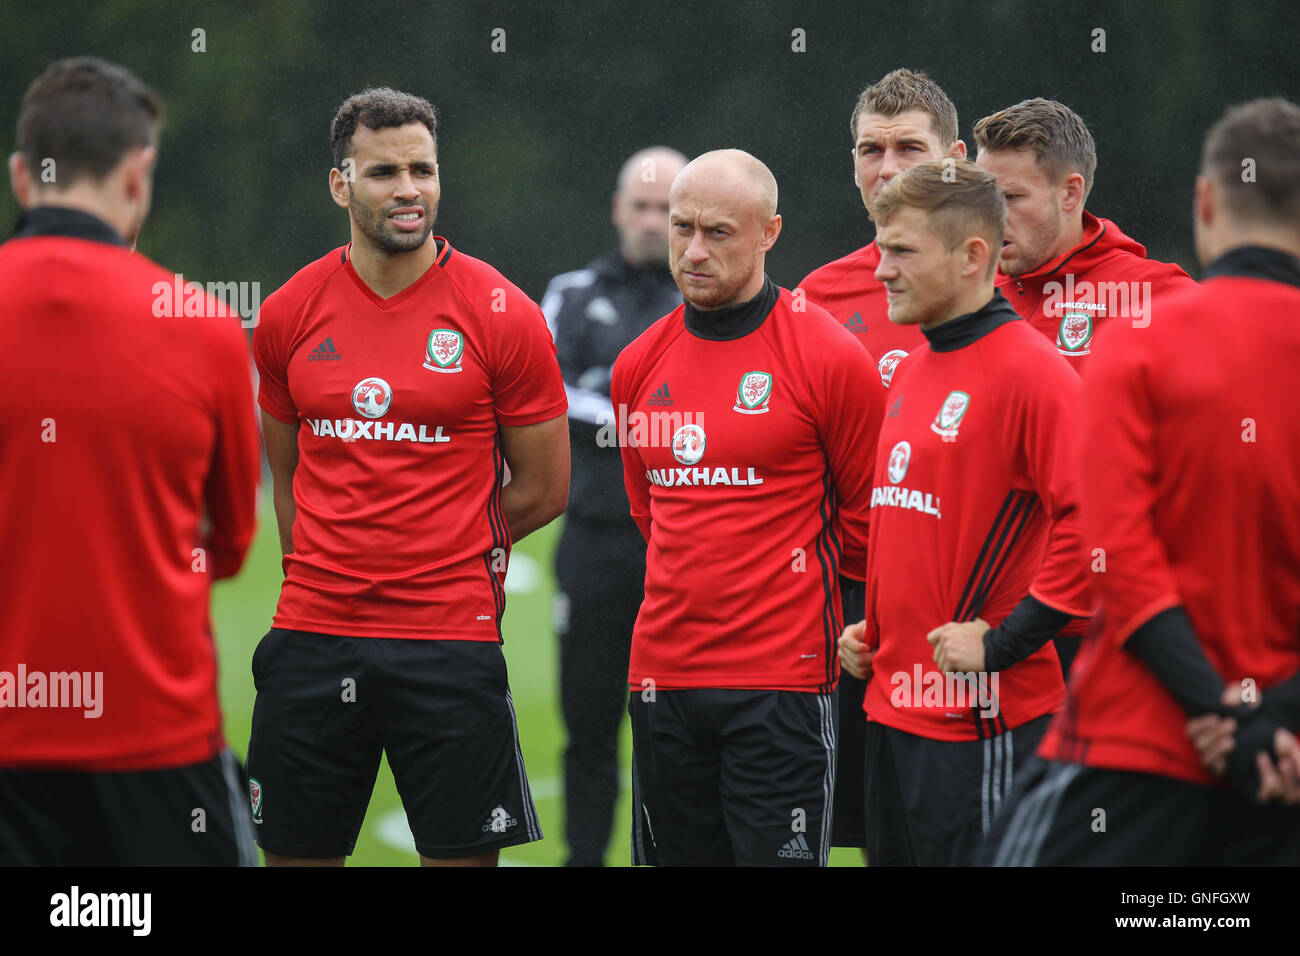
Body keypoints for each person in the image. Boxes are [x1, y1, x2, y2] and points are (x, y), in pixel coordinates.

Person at [248, 88, 569, 867]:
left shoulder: (503, 312)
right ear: (341, 184)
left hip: (448, 641)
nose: (408, 190)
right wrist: (328, 567)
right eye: (384, 171)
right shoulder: (291, 310)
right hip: (314, 636)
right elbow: (286, 477)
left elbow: (544, 486)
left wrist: (445, 549)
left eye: (422, 170)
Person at [984, 98, 1300, 866]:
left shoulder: (1143, 333)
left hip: (1139, 730)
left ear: (1206, 201)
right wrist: (1269, 721)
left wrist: (1212, 707)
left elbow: (1116, 553)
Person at [0, 57, 261, 865]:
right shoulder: (206, 326)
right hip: (157, 744)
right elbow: (230, 542)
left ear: (22, 176)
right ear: (139, 173)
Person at [612, 149, 883, 866]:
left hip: (783, 686)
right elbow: (652, 514)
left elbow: (864, 521)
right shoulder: (637, 365)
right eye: (682, 228)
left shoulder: (828, 356)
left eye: (719, 233)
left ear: (769, 233)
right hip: (663, 681)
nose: (694, 251)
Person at [837, 159, 1091, 866]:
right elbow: (922, 519)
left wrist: (1005, 642)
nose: (882, 270)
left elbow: (1099, 522)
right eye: (881, 248)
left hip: (980, 725)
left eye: (903, 251)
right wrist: (878, 626)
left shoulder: (1033, 372)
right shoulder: (916, 366)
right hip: (890, 711)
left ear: (973, 254)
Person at [799, 67, 964, 858]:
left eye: (910, 148)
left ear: (958, 159)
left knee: (949, 837)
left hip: (968, 607)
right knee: (835, 830)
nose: (888, 167)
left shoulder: (1005, 288)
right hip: (842, 611)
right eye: (871, 149)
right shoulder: (814, 301)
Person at [973, 98, 1194, 677]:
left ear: (1071, 193)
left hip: (1110, 633)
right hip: (980, 628)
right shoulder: (966, 297)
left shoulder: (1158, 298)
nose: (992, 219)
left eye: (1012, 198)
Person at [541, 146, 686, 867]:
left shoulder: (712, 299)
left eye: (669, 209)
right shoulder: (570, 293)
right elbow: (545, 399)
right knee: (588, 724)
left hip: (684, 551)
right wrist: (644, 424)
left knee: (673, 730)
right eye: (642, 205)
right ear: (617, 209)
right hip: (594, 542)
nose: (654, 221)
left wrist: (612, 420)